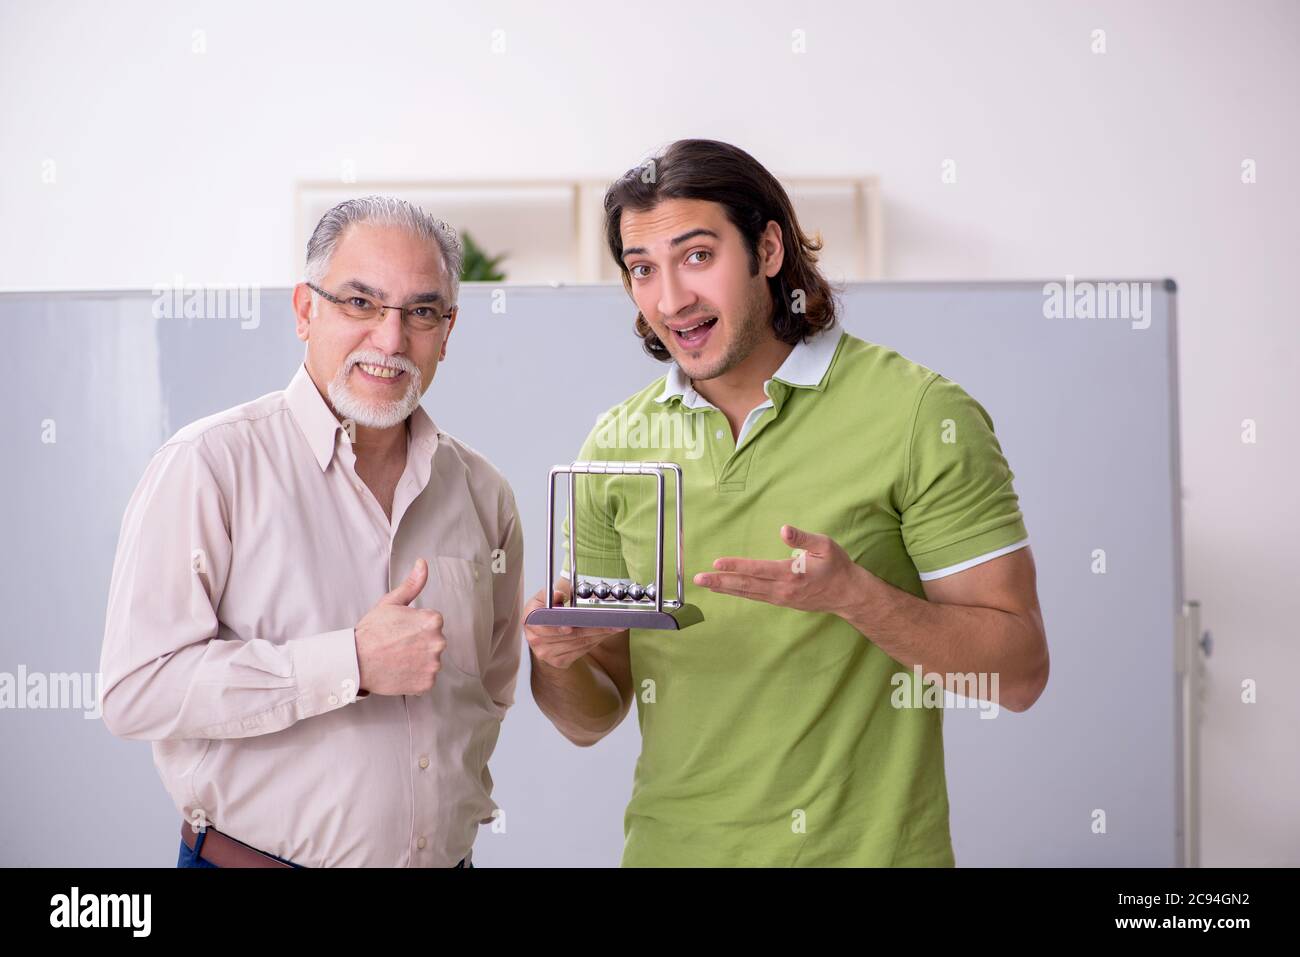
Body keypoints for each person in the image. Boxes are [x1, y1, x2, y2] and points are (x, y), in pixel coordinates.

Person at [526, 140, 1049, 866]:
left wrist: (858, 598)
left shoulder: (920, 414)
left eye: (698, 256)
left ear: (768, 249)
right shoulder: (615, 445)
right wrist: (556, 662)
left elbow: (1017, 674)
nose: (671, 298)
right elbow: (593, 714)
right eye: (643, 269)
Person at [100, 196, 523, 867]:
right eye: (360, 302)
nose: (390, 340)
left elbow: (487, 697)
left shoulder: (484, 492)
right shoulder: (210, 465)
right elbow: (135, 690)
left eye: (420, 311)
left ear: (448, 330)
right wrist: (347, 662)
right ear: (305, 310)